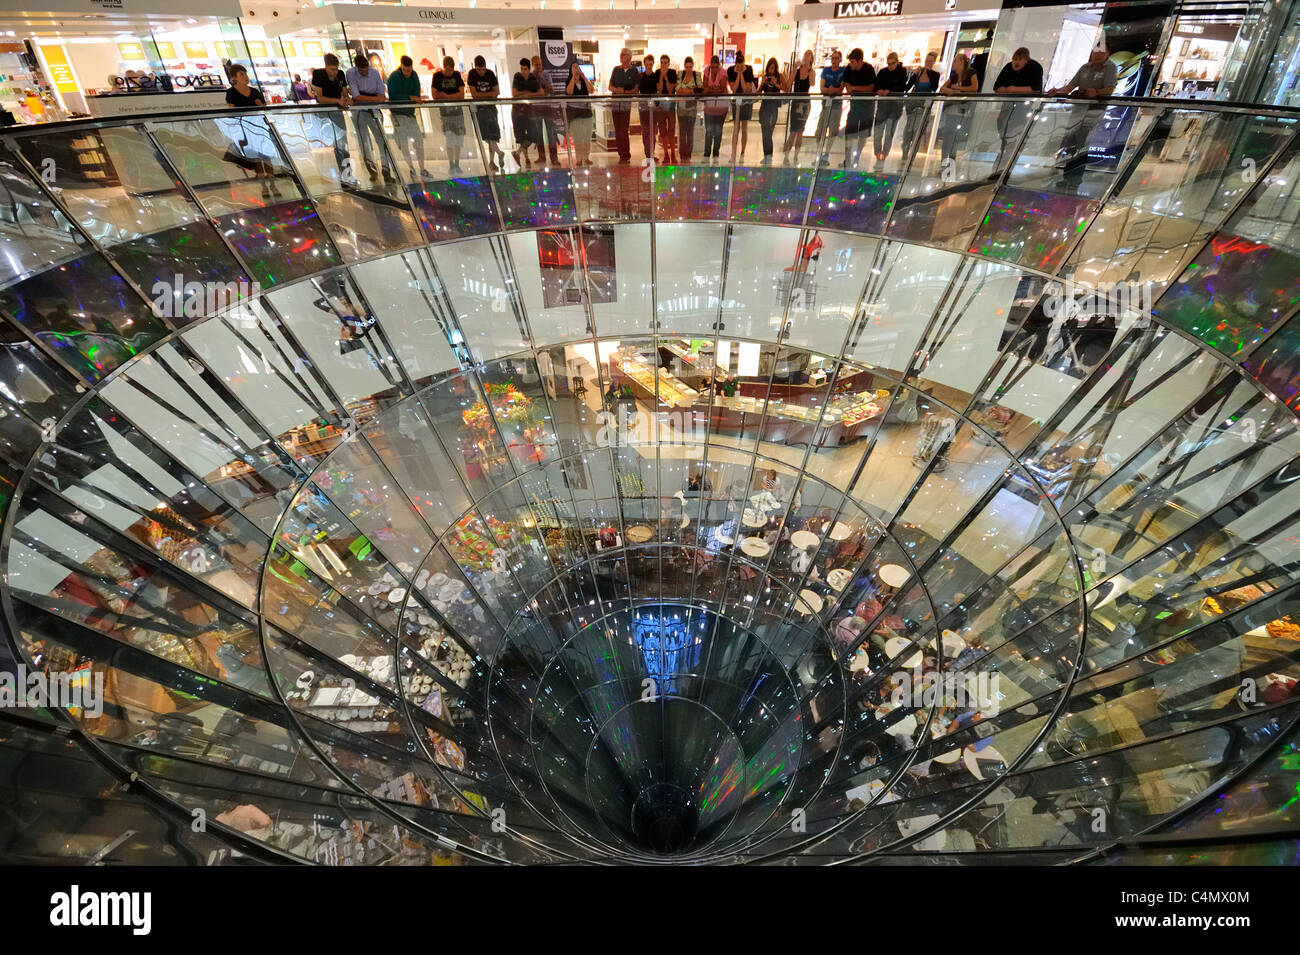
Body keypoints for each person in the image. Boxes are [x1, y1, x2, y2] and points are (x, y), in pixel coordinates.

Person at [1049, 45, 1118, 179]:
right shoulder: (1085, 67)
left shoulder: (1110, 68)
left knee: (1083, 143)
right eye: (1094, 51)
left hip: (1094, 111)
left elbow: (1110, 89)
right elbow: (1070, 86)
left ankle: (1075, 178)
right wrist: (1057, 91)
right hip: (1078, 110)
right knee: (1070, 142)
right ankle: (1066, 175)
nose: (1096, 54)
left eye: (1100, 52)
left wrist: (1096, 92)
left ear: (1108, 53)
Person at [992, 47, 1043, 169]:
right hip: (1008, 107)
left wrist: (1011, 89)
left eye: (1020, 59)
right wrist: (1011, 90)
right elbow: (997, 88)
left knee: (1014, 138)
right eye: (1014, 59)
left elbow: (1035, 88)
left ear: (1026, 60)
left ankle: (1004, 168)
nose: (1016, 62)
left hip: (1023, 108)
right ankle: (1000, 167)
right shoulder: (1008, 67)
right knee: (1005, 138)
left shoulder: (1034, 67)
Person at [346, 53, 394, 185]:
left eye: (366, 69)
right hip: (359, 112)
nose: (365, 72)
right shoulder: (351, 73)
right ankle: (372, 170)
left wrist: (365, 97)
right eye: (362, 70)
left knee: (381, 141)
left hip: (374, 111)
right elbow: (356, 96)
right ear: (356, 68)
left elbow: (382, 95)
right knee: (364, 142)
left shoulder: (374, 72)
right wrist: (373, 98)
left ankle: (386, 171)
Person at [310, 53, 353, 184]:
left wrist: (346, 98)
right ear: (326, 66)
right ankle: (344, 174)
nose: (335, 72)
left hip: (337, 113)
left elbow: (344, 92)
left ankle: (347, 174)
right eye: (332, 69)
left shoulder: (340, 74)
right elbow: (320, 98)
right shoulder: (318, 75)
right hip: (325, 114)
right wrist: (337, 100)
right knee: (337, 144)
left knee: (342, 144)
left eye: (336, 69)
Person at [387, 55, 429, 180]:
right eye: (405, 70)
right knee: (404, 143)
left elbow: (416, 92)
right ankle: (411, 168)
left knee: (418, 140)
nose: (407, 73)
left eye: (409, 70)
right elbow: (393, 96)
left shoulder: (414, 75)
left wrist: (414, 98)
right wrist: (410, 98)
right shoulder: (394, 77)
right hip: (397, 114)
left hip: (410, 114)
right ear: (401, 67)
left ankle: (422, 168)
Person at [938, 53, 979, 164]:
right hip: (952, 109)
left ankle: (950, 163)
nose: (953, 63)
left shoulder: (971, 73)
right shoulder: (954, 76)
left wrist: (958, 89)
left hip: (963, 109)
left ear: (961, 61)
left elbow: (975, 88)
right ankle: (945, 163)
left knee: (954, 138)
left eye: (955, 61)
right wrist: (951, 91)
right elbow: (942, 88)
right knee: (948, 138)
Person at [467, 55, 504, 173]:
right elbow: (474, 95)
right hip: (480, 110)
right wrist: (489, 94)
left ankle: (492, 161)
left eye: (483, 69)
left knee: (491, 136)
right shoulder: (472, 74)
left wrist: (483, 95)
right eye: (479, 69)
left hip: (491, 108)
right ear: (475, 68)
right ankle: (499, 152)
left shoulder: (490, 74)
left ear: (485, 67)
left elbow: (496, 92)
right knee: (486, 136)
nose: (481, 72)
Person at [431, 55, 467, 174]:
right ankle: (451, 164)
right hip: (445, 114)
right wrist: (452, 96)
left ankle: (457, 163)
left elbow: (461, 94)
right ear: (444, 67)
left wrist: (446, 96)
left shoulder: (456, 75)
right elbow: (435, 95)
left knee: (458, 140)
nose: (450, 72)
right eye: (448, 70)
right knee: (450, 140)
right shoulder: (437, 76)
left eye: (451, 70)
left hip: (458, 113)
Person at [840, 48, 875, 169]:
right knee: (850, 133)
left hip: (867, 106)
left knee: (863, 134)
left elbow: (871, 88)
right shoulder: (849, 69)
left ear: (860, 61)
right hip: (855, 106)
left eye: (853, 61)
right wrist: (853, 88)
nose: (851, 64)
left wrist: (855, 88)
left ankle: (857, 157)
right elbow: (847, 85)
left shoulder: (869, 69)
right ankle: (848, 158)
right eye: (850, 62)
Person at [901, 51, 940, 159]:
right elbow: (908, 87)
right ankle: (904, 153)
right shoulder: (918, 73)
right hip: (913, 105)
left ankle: (912, 156)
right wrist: (915, 75)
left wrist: (929, 73)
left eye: (930, 61)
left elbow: (934, 88)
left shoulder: (935, 74)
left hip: (924, 106)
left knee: (917, 132)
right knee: (908, 131)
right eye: (926, 60)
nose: (927, 63)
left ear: (933, 62)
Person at [872, 51, 908, 164]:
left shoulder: (902, 71)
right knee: (878, 131)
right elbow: (876, 85)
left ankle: (884, 153)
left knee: (889, 132)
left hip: (895, 107)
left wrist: (890, 91)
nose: (890, 66)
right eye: (888, 63)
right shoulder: (883, 72)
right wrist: (879, 90)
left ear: (897, 62)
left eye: (892, 63)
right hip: (883, 105)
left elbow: (902, 86)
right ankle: (878, 152)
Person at [783, 49, 815, 163]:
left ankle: (796, 156)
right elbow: (788, 84)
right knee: (793, 130)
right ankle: (786, 156)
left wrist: (809, 68)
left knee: (800, 131)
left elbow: (812, 83)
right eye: (806, 54)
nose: (807, 57)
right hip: (796, 102)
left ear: (812, 58)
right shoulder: (797, 70)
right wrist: (794, 69)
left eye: (809, 55)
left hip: (805, 103)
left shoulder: (812, 71)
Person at [608, 48, 640, 164]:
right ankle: (621, 154)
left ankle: (626, 154)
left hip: (626, 105)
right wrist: (616, 90)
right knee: (618, 130)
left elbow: (636, 90)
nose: (621, 56)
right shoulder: (616, 70)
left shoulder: (634, 71)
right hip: (615, 104)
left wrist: (624, 93)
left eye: (624, 55)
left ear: (630, 57)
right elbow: (610, 86)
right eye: (621, 54)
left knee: (623, 130)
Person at [815, 49, 846, 165]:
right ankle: (819, 153)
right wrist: (830, 90)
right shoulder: (826, 70)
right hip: (826, 105)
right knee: (820, 131)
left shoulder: (843, 71)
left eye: (836, 58)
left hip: (836, 105)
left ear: (840, 60)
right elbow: (822, 88)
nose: (834, 60)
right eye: (832, 58)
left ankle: (826, 154)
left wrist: (833, 90)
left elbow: (840, 89)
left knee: (833, 131)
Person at [531, 54, 561, 166]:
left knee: (551, 133)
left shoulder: (547, 75)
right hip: (535, 108)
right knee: (538, 133)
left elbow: (551, 90)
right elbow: (530, 93)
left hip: (547, 107)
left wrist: (542, 78)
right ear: (532, 65)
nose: (539, 67)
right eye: (536, 65)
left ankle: (554, 158)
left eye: (540, 64)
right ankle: (541, 157)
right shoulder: (530, 77)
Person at [511, 57, 541, 168]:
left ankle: (517, 153)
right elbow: (514, 93)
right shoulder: (517, 76)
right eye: (521, 69)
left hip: (529, 111)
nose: (523, 71)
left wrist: (526, 94)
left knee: (534, 134)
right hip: (518, 111)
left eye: (525, 69)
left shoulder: (533, 78)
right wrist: (527, 93)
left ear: (529, 69)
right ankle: (526, 158)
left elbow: (541, 92)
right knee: (522, 137)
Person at [565, 61, 595, 167]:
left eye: (577, 67)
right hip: (575, 115)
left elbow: (592, 90)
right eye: (573, 67)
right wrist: (573, 77)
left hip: (587, 113)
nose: (576, 69)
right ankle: (579, 159)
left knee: (587, 137)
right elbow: (569, 92)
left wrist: (583, 76)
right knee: (578, 138)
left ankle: (586, 158)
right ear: (570, 69)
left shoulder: (584, 81)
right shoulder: (569, 81)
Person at [728, 50, 757, 160]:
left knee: (744, 127)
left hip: (745, 100)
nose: (740, 68)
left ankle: (743, 152)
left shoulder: (749, 69)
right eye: (738, 66)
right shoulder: (731, 70)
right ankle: (734, 151)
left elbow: (745, 89)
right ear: (735, 64)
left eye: (742, 66)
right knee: (736, 127)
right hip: (736, 100)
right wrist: (738, 75)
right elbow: (734, 89)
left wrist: (741, 74)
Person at [702, 55, 729, 161]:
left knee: (718, 130)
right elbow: (705, 88)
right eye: (712, 67)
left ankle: (716, 153)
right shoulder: (706, 71)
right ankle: (706, 153)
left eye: (716, 67)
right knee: (708, 130)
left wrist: (710, 89)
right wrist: (713, 89)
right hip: (709, 107)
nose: (713, 69)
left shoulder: (723, 72)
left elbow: (722, 90)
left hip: (721, 107)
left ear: (719, 66)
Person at [757, 57, 785, 164]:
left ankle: (769, 156)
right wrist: (762, 83)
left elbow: (785, 88)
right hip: (765, 106)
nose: (771, 70)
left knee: (769, 132)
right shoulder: (765, 77)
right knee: (765, 132)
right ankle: (766, 156)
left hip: (773, 106)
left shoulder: (780, 76)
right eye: (770, 68)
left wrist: (776, 83)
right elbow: (759, 92)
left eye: (773, 68)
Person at [675, 56, 701, 163]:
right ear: (684, 66)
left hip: (692, 107)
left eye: (690, 67)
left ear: (693, 66)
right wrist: (690, 90)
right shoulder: (680, 74)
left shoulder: (697, 75)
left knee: (690, 132)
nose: (689, 69)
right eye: (687, 67)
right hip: (681, 107)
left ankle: (688, 153)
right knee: (682, 131)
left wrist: (685, 90)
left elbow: (698, 89)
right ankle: (682, 153)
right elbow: (677, 89)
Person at [654, 54, 678, 163]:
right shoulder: (657, 72)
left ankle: (673, 154)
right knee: (662, 131)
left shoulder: (672, 73)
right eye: (662, 62)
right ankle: (666, 154)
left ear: (668, 63)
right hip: (660, 106)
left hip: (670, 105)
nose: (663, 65)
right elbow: (659, 90)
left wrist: (666, 78)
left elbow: (670, 90)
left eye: (665, 63)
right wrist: (660, 77)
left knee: (671, 130)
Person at [636, 54, 658, 161]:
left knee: (653, 131)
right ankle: (647, 154)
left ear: (653, 64)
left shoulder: (655, 76)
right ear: (645, 64)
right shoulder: (640, 76)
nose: (649, 66)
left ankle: (652, 153)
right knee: (645, 131)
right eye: (647, 64)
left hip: (653, 108)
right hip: (643, 107)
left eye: (651, 64)